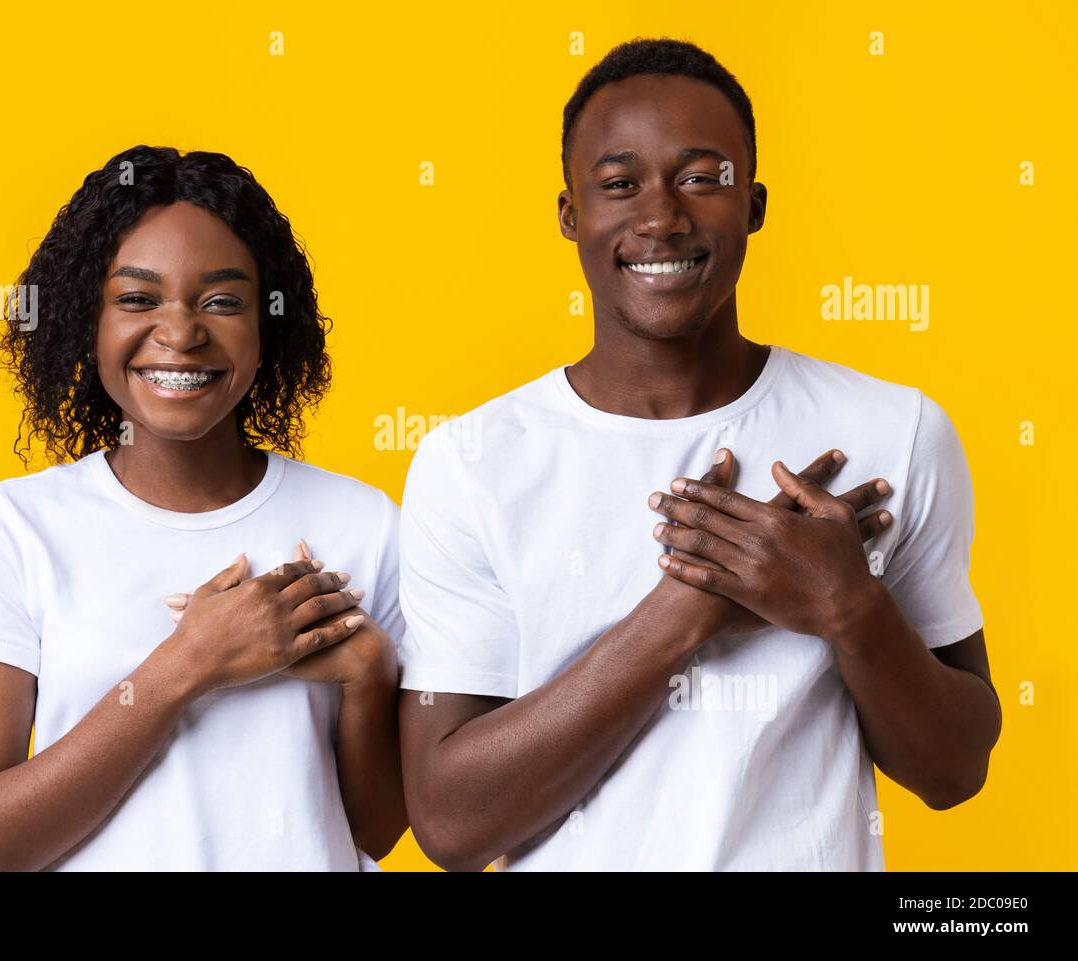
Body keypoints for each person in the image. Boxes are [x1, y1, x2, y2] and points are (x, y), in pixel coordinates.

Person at [396, 38, 1000, 871]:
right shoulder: (469, 462)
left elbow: (953, 768)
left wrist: (847, 606)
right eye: (619, 184)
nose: (661, 218)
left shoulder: (895, 429)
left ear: (752, 204)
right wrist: (689, 609)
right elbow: (451, 824)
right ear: (570, 213)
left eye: (701, 177)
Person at [0, 145, 407, 871]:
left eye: (220, 300)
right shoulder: (10, 531)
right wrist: (188, 664)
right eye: (138, 299)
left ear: (267, 323)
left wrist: (369, 679)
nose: (180, 333)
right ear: (89, 321)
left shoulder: (363, 524)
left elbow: (376, 832)